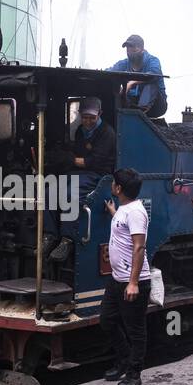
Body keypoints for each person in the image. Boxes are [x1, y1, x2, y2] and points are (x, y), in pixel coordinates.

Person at [44, 96, 117, 262]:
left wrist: (69, 159)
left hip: (98, 175)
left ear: (100, 114)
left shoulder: (107, 133)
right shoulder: (79, 131)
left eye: (92, 117)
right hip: (79, 173)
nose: (88, 121)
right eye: (85, 117)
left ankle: (67, 240)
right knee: (48, 192)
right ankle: (49, 234)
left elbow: (94, 162)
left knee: (71, 194)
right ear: (80, 115)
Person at [100, 167, 153, 385]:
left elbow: (139, 247)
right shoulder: (124, 209)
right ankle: (123, 360)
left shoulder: (136, 212)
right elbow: (123, 229)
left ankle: (134, 373)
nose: (112, 185)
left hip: (133, 280)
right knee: (107, 320)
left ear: (118, 188)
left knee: (136, 329)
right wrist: (113, 212)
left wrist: (133, 283)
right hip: (116, 279)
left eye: (113, 183)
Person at [109, 34, 166, 118]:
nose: (129, 50)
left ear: (142, 49)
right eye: (127, 47)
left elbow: (154, 73)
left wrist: (132, 83)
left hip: (156, 106)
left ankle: (140, 115)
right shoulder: (124, 63)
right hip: (133, 102)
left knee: (150, 85)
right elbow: (110, 71)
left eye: (132, 47)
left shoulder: (153, 61)